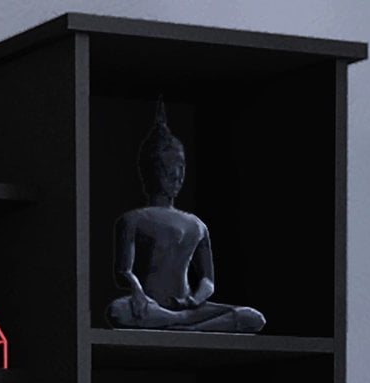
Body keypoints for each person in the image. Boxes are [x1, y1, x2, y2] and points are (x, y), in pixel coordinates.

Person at [109, 102, 265, 334]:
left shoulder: (196, 225)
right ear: (149, 171)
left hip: (187, 306)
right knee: (117, 312)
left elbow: (208, 281)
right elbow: (124, 271)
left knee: (253, 317)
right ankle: (185, 323)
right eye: (167, 167)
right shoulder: (134, 220)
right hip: (150, 304)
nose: (176, 175)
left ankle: (183, 324)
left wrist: (194, 300)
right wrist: (138, 293)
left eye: (181, 167)